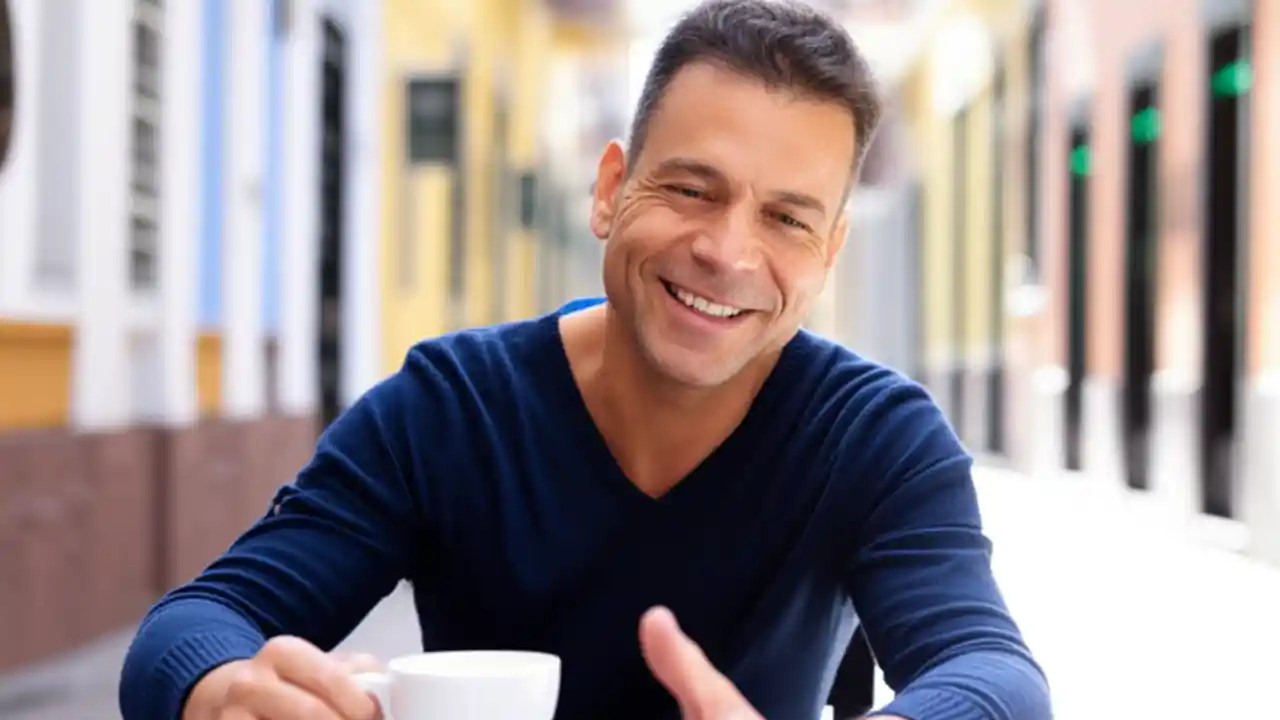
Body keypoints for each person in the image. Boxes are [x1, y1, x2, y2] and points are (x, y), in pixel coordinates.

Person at [119, 1, 1051, 718]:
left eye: (786, 218)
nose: (727, 252)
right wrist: (226, 690)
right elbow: (194, 624)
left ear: (828, 252)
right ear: (611, 190)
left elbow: (992, 673)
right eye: (691, 188)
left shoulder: (874, 436)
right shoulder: (451, 408)